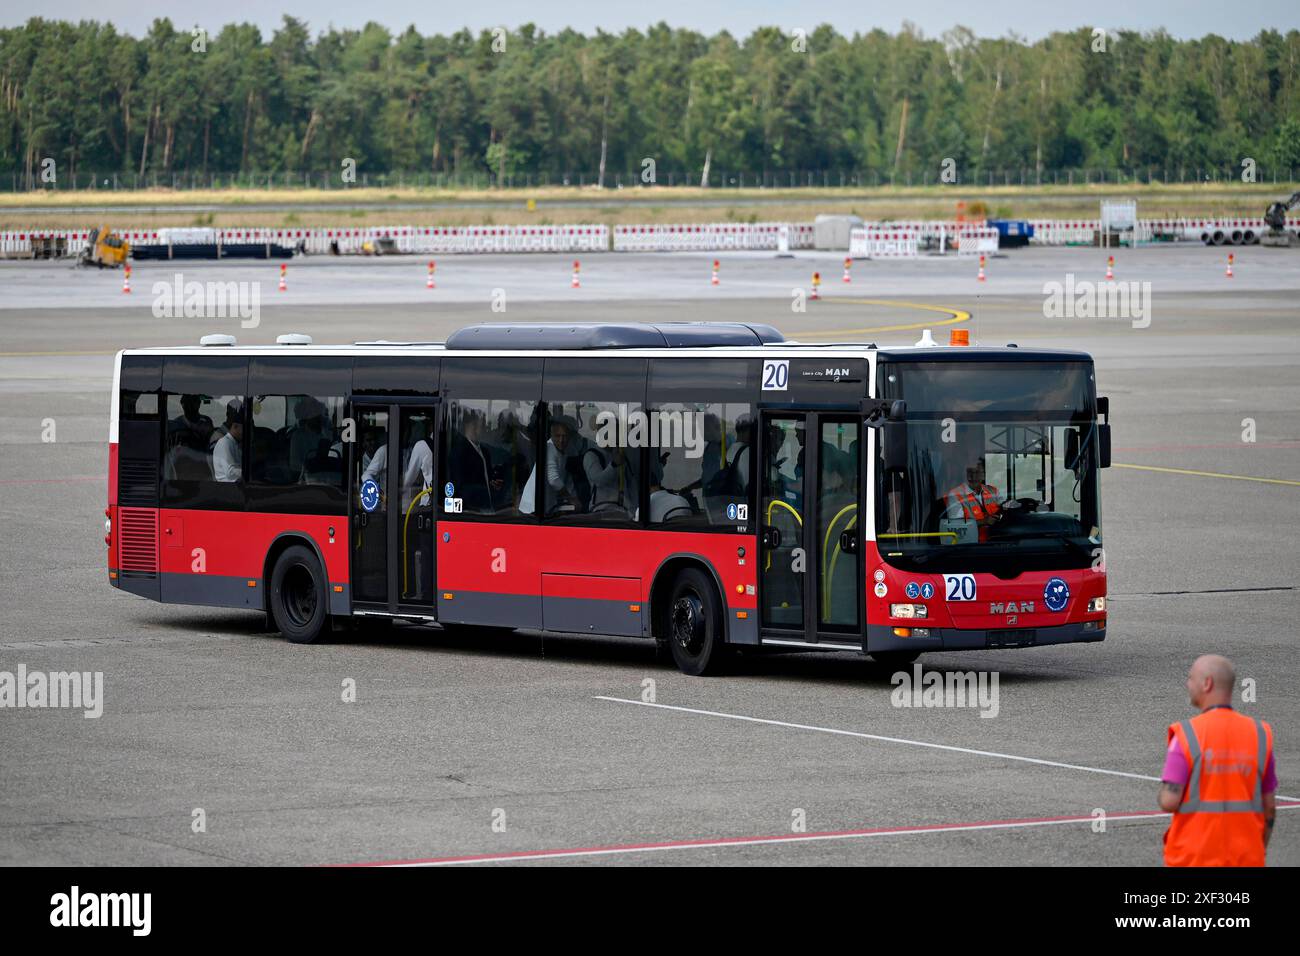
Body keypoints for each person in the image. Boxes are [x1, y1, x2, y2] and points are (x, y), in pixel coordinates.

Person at [1159, 654, 1277, 867]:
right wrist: (1258, 848)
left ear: (1207, 683)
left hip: (1194, 858)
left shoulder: (1186, 734)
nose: (1187, 684)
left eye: (1190, 678)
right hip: (1246, 857)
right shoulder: (1260, 734)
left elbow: (1169, 801)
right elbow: (1269, 807)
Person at [943, 455, 1002, 541]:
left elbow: (1005, 510)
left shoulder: (993, 491)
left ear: (983, 475)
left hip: (996, 543)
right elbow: (956, 527)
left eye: (977, 472)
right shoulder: (955, 494)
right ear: (964, 474)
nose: (973, 477)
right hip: (971, 547)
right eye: (969, 472)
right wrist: (983, 522)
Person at [213, 399, 244, 482]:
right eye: (244, 428)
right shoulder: (224, 443)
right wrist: (249, 472)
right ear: (235, 426)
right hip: (228, 489)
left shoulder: (235, 444)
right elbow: (230, 472)